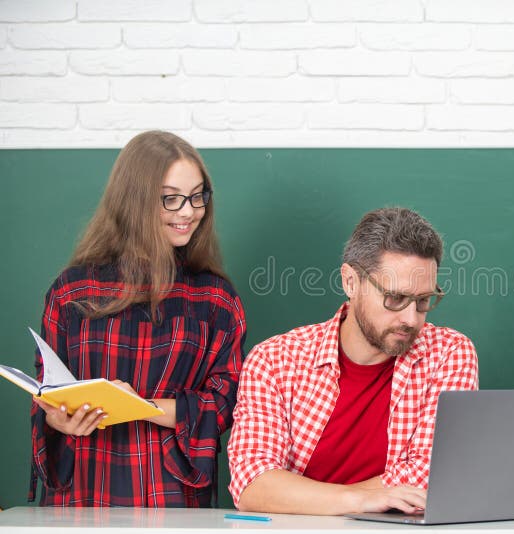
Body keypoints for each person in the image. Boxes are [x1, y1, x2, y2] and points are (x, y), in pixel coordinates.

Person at [30, 131, 247, 507]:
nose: (188, 211)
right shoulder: (71, 292)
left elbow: (228, 402)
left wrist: (142, 406)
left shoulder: (216, 299)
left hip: (173, 501)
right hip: (84, 495)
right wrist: (57, 420)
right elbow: (46, 395)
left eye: (198, 196)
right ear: (135, 201)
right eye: (171, 199)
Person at [228, 207, 478, 515]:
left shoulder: (450, 354)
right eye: (395, 298)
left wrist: (297, 496)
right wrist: (361, 501)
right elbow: (252, 484)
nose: (412, 319)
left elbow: (432, 475)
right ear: (350, 282)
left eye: (423, 301)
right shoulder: (275, 360)